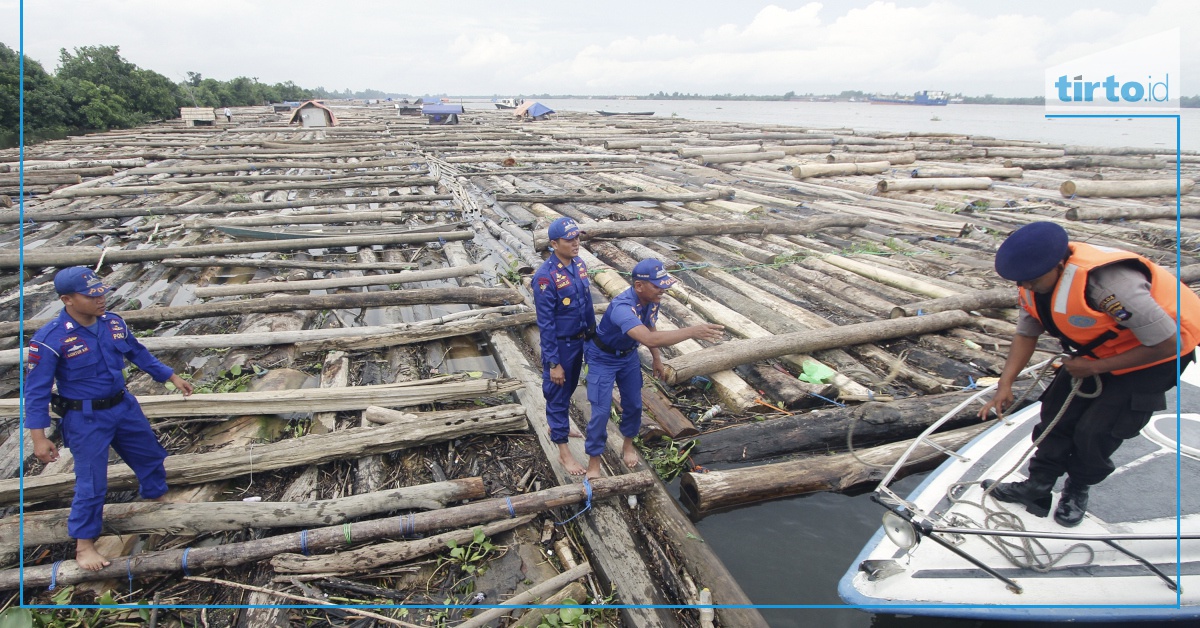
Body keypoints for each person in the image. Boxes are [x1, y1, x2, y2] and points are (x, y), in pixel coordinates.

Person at [978, 222, 1200, 527]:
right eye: (1022, 282)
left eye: (1033, 281)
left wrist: (1095, 368)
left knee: (1097, 429)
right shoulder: (1032, 282)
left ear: (1059, 265)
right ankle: (1038, 485)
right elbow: (1026, 333)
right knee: (1056, 413)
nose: (1027, 287)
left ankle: (1077, 488)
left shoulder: (1110, 287)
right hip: (1099, 351)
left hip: (1155, 355)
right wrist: (1005, 384)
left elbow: (1167, 343)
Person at [24, 267, 194, 570]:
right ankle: (84, 545)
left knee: (149, 456)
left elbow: (138, 353)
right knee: (91, 482)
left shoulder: (113, 323)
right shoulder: (51, 339)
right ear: (67, 300)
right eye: (91, 296)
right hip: (85, 417)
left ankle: (156, 499)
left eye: (102, 293)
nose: (100, 299)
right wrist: (39, 438)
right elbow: (36, 392)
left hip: (124, 406)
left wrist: (170, 376)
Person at [583, 259, 724, 479]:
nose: (663, 290)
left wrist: (657, 359)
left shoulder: (651, 299)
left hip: (628, 356)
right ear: (639, 286)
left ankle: (628, 444)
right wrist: (692, 331)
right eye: (658, 286)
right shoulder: (622, 308)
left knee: (634, 404)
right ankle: (594, 461)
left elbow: (650, 325)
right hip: (603, 357)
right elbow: (648, 338)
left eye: (664, 285)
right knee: (600, 411)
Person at [532, 217, 594, 475]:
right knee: (557, 394)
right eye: (569, 240)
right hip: (561, 346)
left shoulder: (579, 265)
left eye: (577, 238)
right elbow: (546, 325)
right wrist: (554, 363)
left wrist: (593, 337)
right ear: (554, 244)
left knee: (568, 388)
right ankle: (564, 453)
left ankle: (558, 427)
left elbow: (587, 305)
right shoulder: (545, 278)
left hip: (580, 341)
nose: (576, 243)